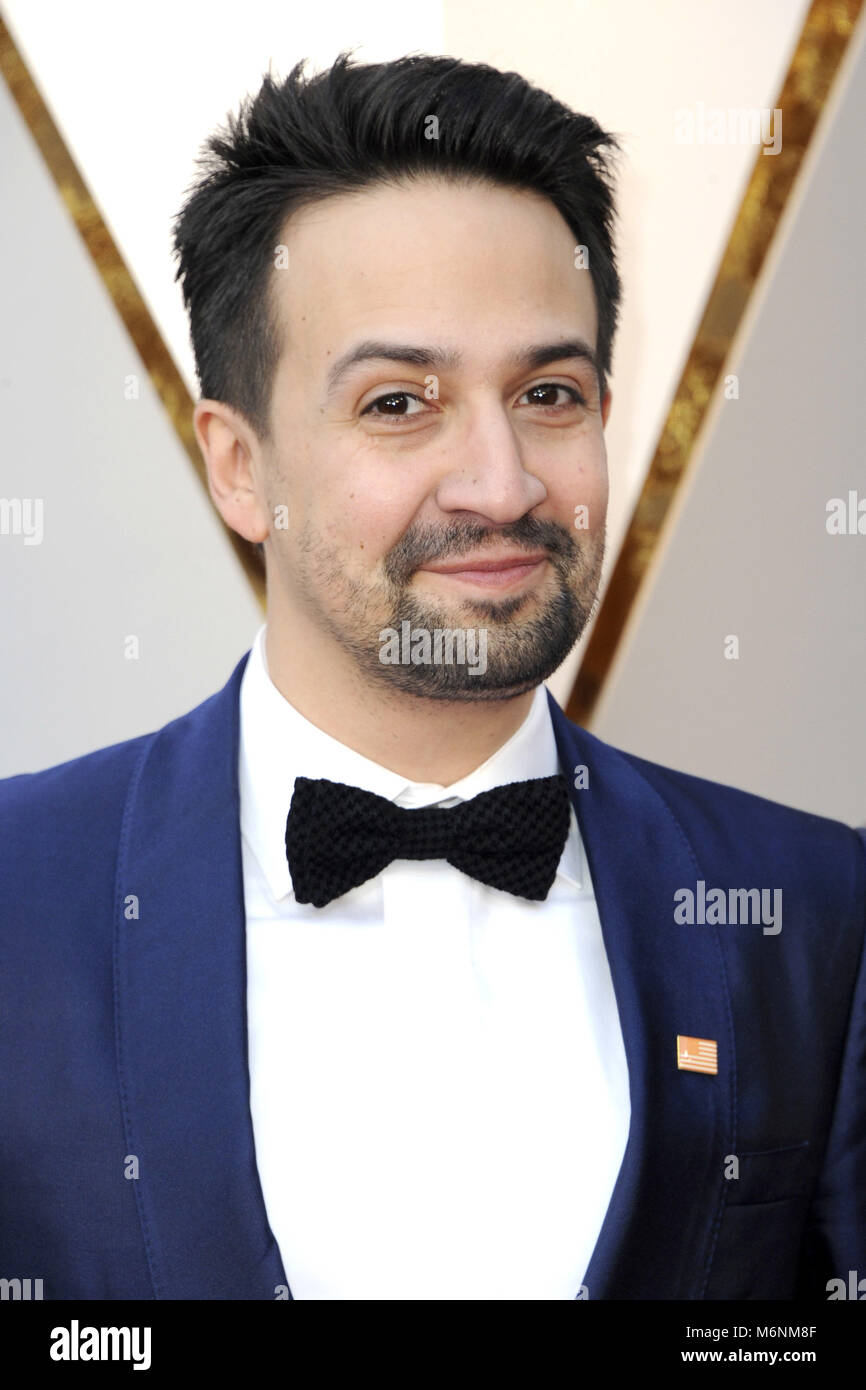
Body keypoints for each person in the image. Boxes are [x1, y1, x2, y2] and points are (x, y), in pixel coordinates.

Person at [1, 51, 863, 1302]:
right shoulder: (20, 897)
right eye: (400, 403)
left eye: (548, 393)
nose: (501, 485)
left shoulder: (813, 909)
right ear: (239, 466)